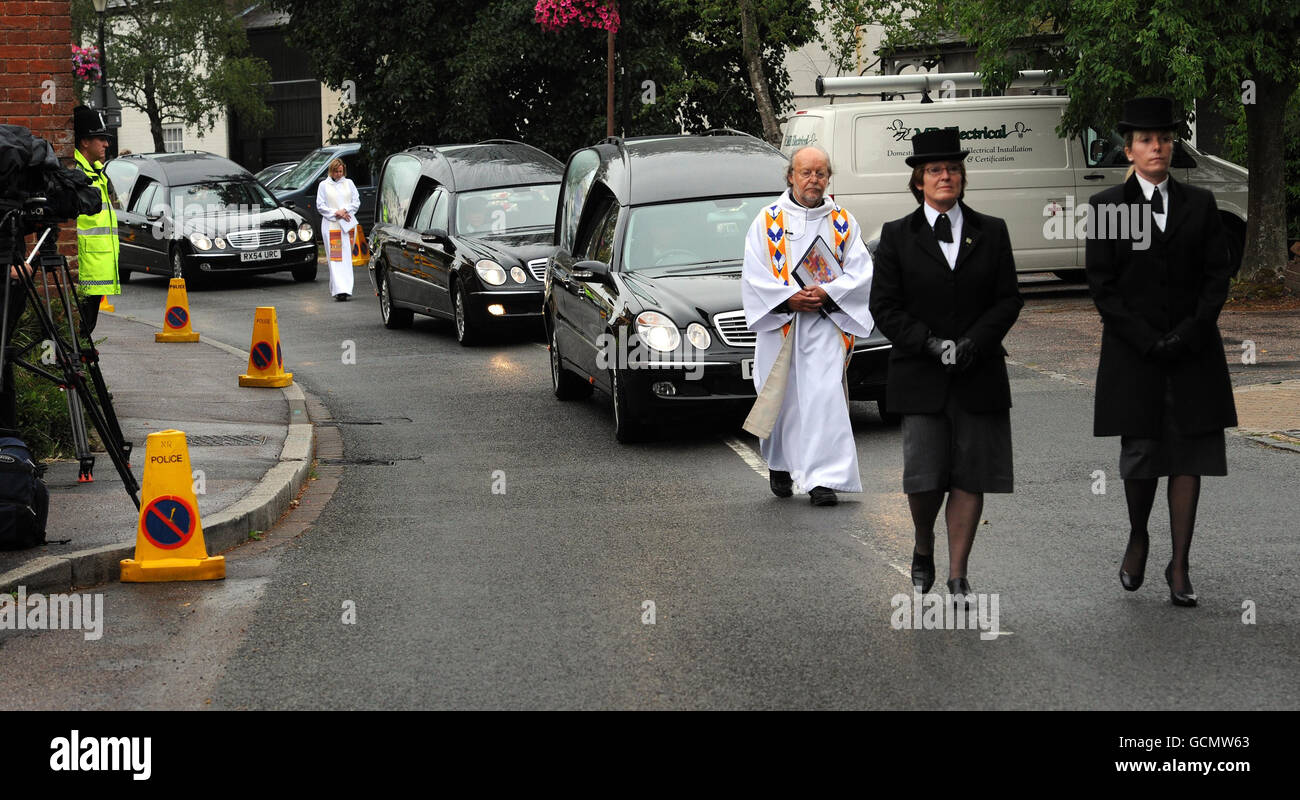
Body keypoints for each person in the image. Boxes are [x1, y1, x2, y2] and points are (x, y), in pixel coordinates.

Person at [1085, 97, 1237, 608]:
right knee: (1141, 452)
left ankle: (1180, 563)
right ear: (1129, 150)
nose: (1159, 148)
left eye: (1166, 140)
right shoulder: (1109, 206)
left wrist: (1191, 332)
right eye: (1148, 141)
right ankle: (1138, 536)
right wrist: (1148, 340)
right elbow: (1103, 287)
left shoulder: (1200, 204)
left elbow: (1218, 276)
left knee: (1189, 453)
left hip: (1194, 351)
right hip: (1135, 354)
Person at [868, 128, 1023, 603]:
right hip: (921, 374)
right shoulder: (896, 236)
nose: (945, 176)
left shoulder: (992, 230)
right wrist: (931, 344)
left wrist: (973, 342)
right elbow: (885, 308)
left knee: (970, 474)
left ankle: (958, 574)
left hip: (979, 373)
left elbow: (1008, 299)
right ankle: (922, 541)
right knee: (926, 475)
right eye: (935, 170)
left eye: (953, 169)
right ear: (918, 180)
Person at [741, 145, 875, 506]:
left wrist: (828, 293)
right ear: (791, 176)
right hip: (781, 325)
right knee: (781, 397)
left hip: (824, 324)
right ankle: (781, 464)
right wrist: (787, 298)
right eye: (806, 172)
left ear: (828, 178)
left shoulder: (843, 222)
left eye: (820, 173)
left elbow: (861, 272)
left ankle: (822, 480)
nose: (813, 180)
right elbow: (754, 273)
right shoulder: (767, 220)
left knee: (824, 397)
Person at [72, 105, 119, 336]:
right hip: (85, 271)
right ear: (84, 142)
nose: (106, 144)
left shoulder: (98, 172)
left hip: (97, 268)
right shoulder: (77, 173)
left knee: (86, 330)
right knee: (80, 331)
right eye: (101, 138)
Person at [316, 157, 360, 301]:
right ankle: (339, 290)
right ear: (331, 171)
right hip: (332, 226)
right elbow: (320, 205)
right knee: (335, 258)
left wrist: (344, 210)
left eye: (341, 171)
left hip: (347, 225)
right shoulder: (324, 185)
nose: (339, 174)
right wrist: (336, 213)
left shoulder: (349, 183)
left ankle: (346, 288)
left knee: (346, 257)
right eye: (336, 172)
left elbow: (356, 202)